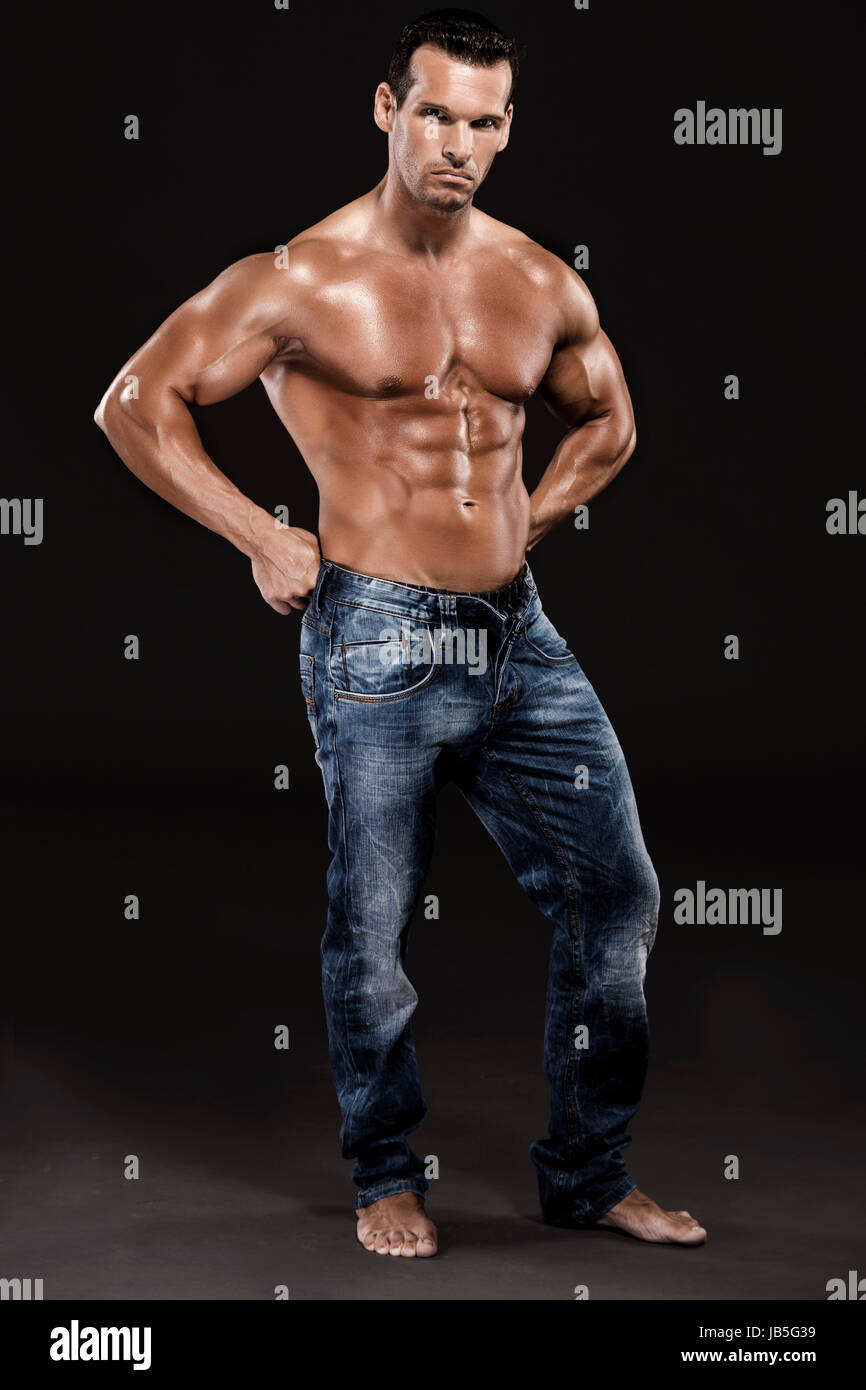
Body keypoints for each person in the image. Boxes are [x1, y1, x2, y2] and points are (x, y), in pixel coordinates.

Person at [95, 8, 707, 1258]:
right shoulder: (297, 276)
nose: (460, 144)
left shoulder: (537, 276)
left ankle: (588, 1173)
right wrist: (261, 535)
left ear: (505, 128)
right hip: (374, 635)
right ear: (387, 110)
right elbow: (133, 402)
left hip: (517, 635)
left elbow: (608, 423)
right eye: (436, 114)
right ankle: (385, 1172)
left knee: (619, 897)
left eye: (485, 121)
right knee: (372, 924)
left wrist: (519, 524)